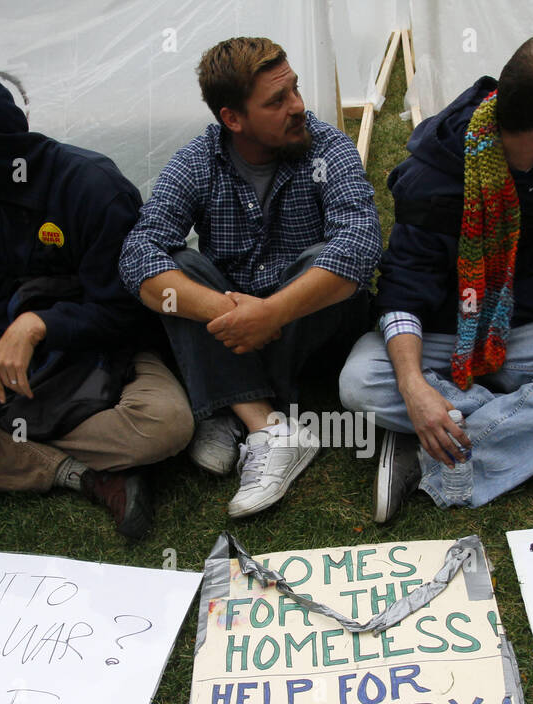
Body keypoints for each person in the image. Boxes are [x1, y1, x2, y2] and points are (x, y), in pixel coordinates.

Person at [0, 69, 192, 542]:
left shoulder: (92, 186)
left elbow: (126, 311)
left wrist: (38, 324)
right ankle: (85, 475)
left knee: (167, 427)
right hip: (24, 371)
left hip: (111, 353)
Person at [337, 34, 533, 521]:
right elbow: (401, 294)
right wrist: (414, 386)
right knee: (361, 382)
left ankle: (423, 452)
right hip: (441, 333)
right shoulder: (432, 183)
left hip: (522, 330)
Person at [119, 36, 382, 517]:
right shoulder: (198, 161)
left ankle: (227, 406)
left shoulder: (329, 149)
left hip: (311, 337)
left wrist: (272, 312)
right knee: (176, 267)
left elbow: (361, 245)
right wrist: (226, 312)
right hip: (234, 327)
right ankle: (267, 426)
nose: (298, 106)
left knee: (327, 256)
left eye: (295, 90)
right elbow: (138, 251)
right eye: (277, 101)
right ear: (233, 119)